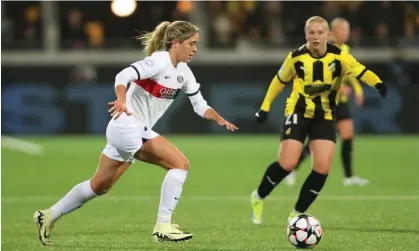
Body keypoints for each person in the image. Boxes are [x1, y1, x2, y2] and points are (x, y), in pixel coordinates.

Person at [33, 20, 238, 245]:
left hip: (128, 130)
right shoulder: (158, 61)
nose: (195, 49)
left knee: (99, 186)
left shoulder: (184, 73)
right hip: (127, 126)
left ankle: (49, 215)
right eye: (192, 44)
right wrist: (122, 98)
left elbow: (200, 105)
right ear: (176, 43)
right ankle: (163, 225)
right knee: (180, 164)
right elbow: (123, 76)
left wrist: (219, 119)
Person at [250, 16, 387, 225]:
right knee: (287, 163)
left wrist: (378, 84)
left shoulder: (339, 56)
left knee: (322, 167)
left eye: (319, 32)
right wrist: (265, 106)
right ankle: (258, 197)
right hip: (298, 111)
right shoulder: (295, 58)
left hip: (324, 114)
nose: (315, 36)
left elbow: (361, 71)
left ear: (326, 35)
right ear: (306, 35)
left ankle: (296, 214)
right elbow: (279, 81)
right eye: (311, 32)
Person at [285, 17, 369, 187]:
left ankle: (348, 176)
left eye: (347, 29)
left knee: (347, 135)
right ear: (333, 31)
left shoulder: (344, 48)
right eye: (343, 29)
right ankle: (291, 168)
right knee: (318, 140)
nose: (347, 33)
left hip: (340, 101)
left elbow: (349, 73)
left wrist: (358, 90)